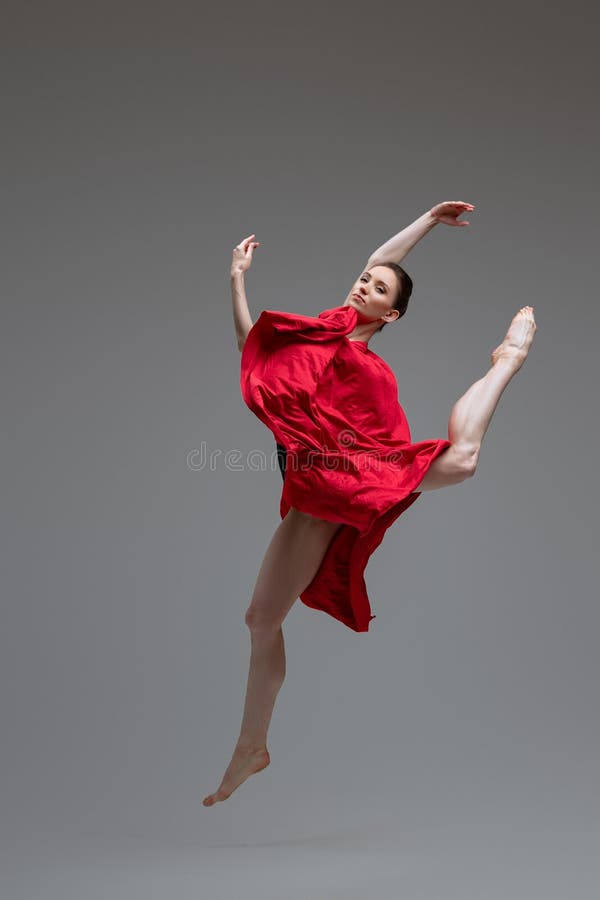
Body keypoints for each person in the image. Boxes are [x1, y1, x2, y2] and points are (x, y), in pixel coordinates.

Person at [203, 201, 537, 807]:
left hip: (358, 475)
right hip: (313, 499)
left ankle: (506, 362)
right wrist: (236, 278)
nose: (366, 285)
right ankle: (254, 746)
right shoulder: (322, 332)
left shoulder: (372, 371)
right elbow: (254, 350)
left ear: (394, 313)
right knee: (260, 620)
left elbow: (374, 435)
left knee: (461, 460)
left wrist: (422, 237)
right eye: (364, 280)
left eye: (379, 288)